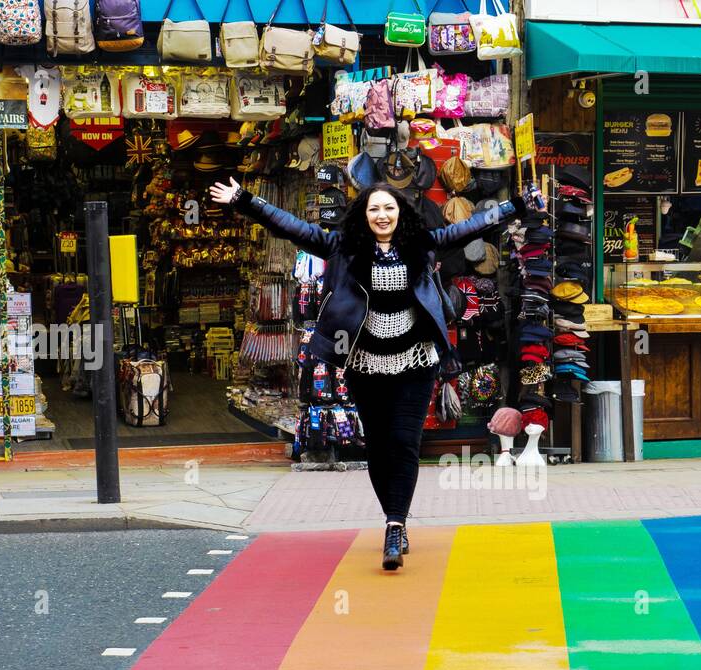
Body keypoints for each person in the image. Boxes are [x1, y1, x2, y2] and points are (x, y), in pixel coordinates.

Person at [210, 175, 529, 571]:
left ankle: (396, 524)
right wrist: (244, 200)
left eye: (388, 208)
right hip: (365, 364)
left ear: (400, 213)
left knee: (405, 443)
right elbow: (290, 226)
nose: (381, 215)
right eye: (374, 208)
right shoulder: (343, 247)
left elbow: (470, 227)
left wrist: (514, 206)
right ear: (363, 214)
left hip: (416, 362)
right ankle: (392, 515)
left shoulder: (421, 244)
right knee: (378, 445)